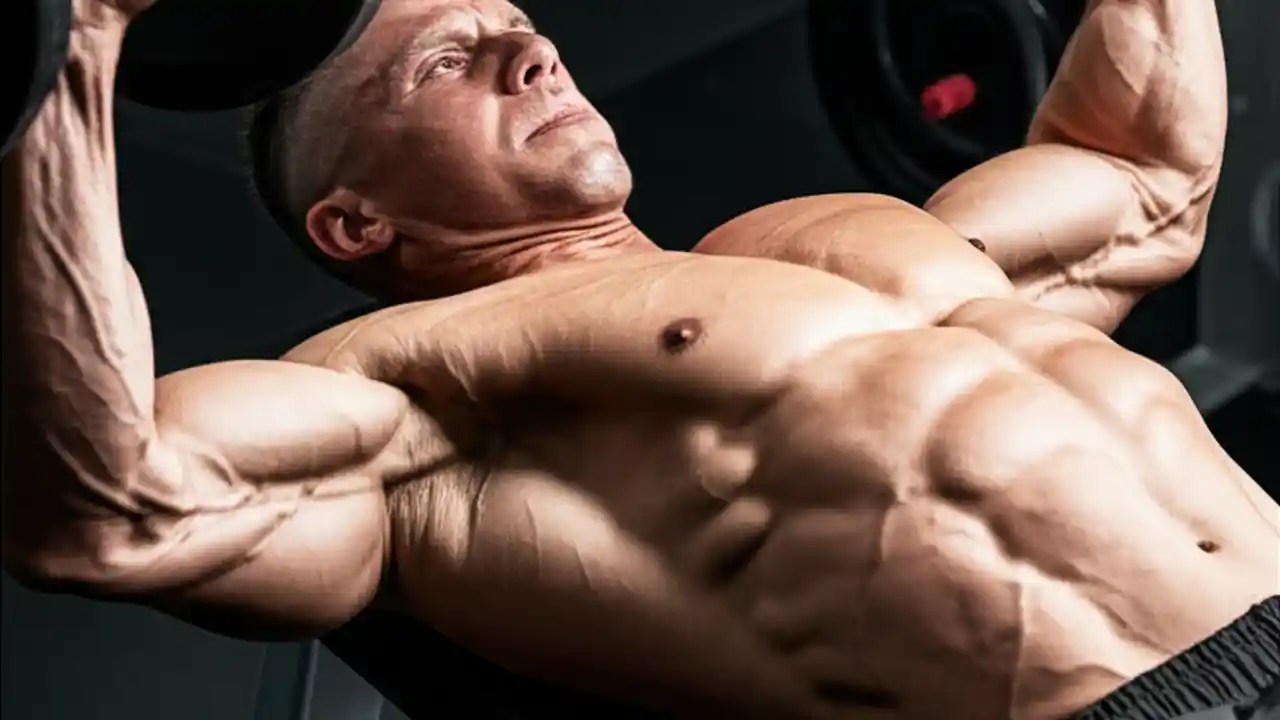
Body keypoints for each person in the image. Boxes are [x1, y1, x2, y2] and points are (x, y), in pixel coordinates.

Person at [3, 0, 1277, 718]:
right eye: (448, 61)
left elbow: (1141, 178)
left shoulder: (826, 235)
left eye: (512, 20)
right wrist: (78, 48)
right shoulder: (405, 386)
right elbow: (112, 506)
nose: (530, 50)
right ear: (355, 222)